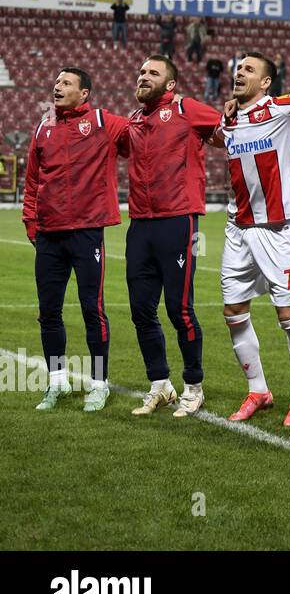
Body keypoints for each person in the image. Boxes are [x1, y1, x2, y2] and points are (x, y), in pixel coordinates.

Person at [214, 53, 290, 426]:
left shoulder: (281, 108)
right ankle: (258, 390)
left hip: (277, 230)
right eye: (239, 68)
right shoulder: (229, 116)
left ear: (265, 82)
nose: (239, 72)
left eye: (249, 69)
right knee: (233, 311)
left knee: (288, 314)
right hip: (237, 228)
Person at [124, 55, 224, 420]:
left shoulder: (186, 107)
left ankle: (194, 386)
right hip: (139, 224)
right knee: (141, 310)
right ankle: (160, 385)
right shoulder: (134, 120)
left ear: (170, 84)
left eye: (152, 72)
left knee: (179, 309)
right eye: (141, 71)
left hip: (179, 221)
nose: (143, 76)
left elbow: (227, 133)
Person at [24, 68, 129, 412]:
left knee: (91, 309)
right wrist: (31, 223)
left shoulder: (101, 121)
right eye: (56, 81)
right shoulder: (43, 127)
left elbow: (140, 135)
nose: (58, 86)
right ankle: (57, 383)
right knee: (48, 312)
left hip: (86, 232)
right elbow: (32, 179)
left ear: (84, 94)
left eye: (66, 83)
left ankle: (99, 384)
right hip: (49, 236)